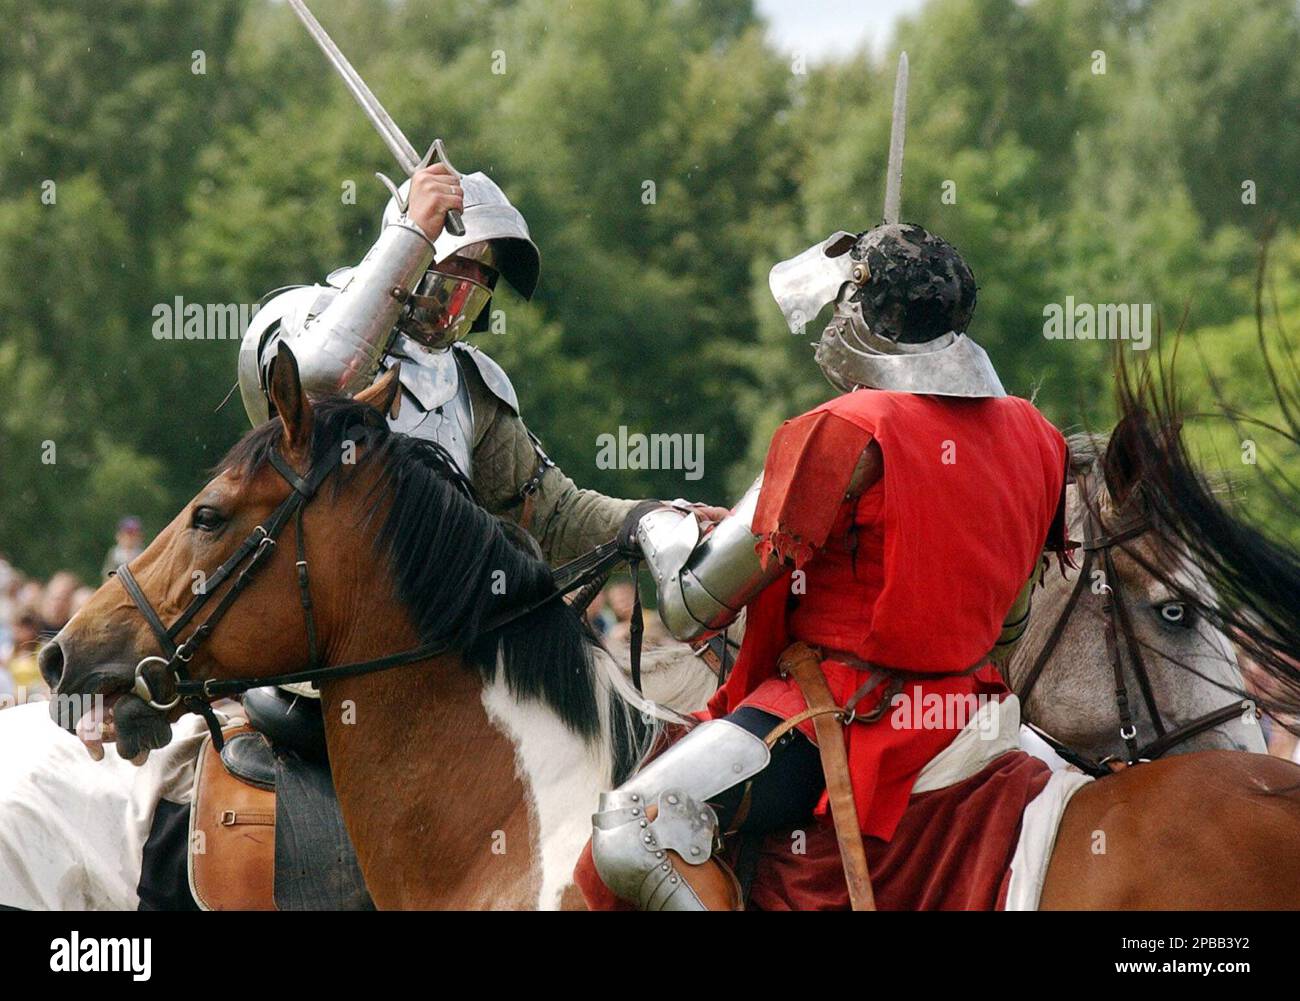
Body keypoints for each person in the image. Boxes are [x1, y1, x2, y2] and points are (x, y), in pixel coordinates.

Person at [587, 222, 1069, 910]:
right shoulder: (1036, 433)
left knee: (631, 825)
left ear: (867, 316)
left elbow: (691, 605)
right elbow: (1009, 626)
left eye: (845, 304)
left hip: (848, 715)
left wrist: (662, 523)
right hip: (971, 710)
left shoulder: (850, 427)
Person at [238, 163, 724, 566]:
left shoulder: (471, 384)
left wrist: (653, 518)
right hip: (302, 618)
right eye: (458, 260)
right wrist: (412, 232)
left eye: (482, 268)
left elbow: (555, 516)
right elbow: (319, 384)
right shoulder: (307, 319)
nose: (470, 280)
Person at [101, 516, 144, 581]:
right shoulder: (114, 554)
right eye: (127, 535)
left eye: (134, 535)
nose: (130, 539)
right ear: (119, 536)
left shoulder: (141, 554)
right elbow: (107, 576)